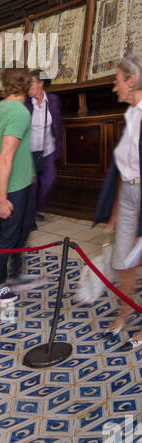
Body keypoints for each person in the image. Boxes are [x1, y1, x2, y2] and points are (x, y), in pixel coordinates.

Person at [93, 54, 142, 344]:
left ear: (131, 81)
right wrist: (115, 208)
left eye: (117, 82)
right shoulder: (130, 115)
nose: (114, 88)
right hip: (127, 196)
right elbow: (121, 168)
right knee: (123, 261)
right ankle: (125, 312)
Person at [0, 67, 39, 303]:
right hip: (11, 186)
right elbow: (5, 156)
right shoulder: (20, 112)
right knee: (7, 236)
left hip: (19, 182)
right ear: (25, 85)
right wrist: (1, 198)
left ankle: (11, 275)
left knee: (20, 231)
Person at [25, 73, 64, 221]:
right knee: (32, 185)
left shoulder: (53, 100)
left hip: (48, 150)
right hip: (29, 153)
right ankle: (30, 214)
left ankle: (36, 208)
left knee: (48, 181)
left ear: (40, 84)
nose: (28, 87)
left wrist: (59, 149)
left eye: (31, 83)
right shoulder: (26, 103)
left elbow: (58, 125)